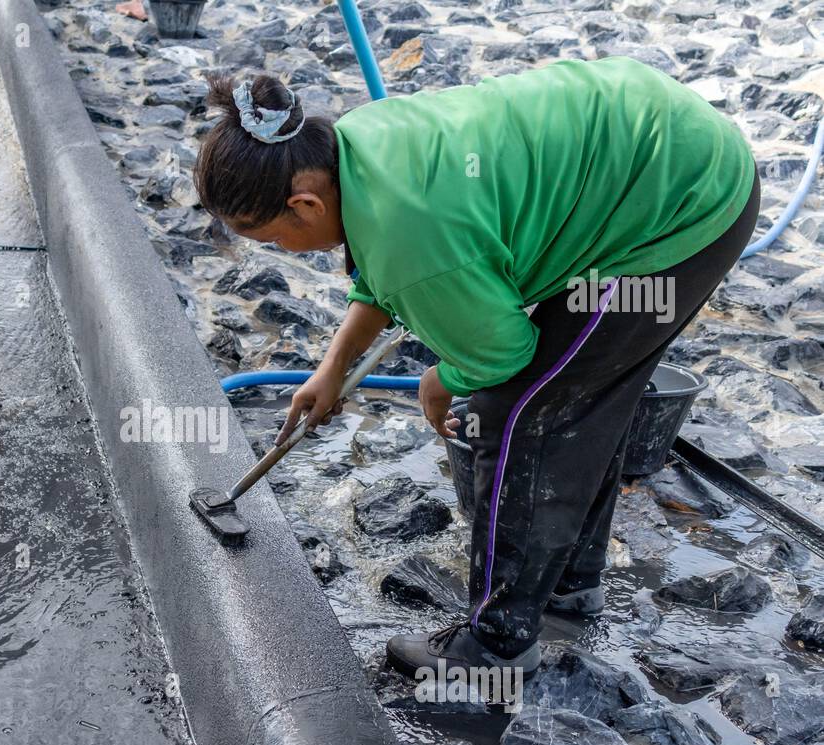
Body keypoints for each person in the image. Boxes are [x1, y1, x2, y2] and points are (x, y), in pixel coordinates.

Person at [193, 57, 759, 676]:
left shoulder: (409, 231)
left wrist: (439, 380)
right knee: (576, 390)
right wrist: (333, 366)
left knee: (518, 412)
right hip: (655, 149)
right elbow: (384, 272)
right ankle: (567, 586)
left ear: (303, 203)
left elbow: (500, 354)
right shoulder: (355, 146)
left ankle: (493, 652)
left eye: (271, 239)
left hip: (680, 206)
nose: (280, 250)